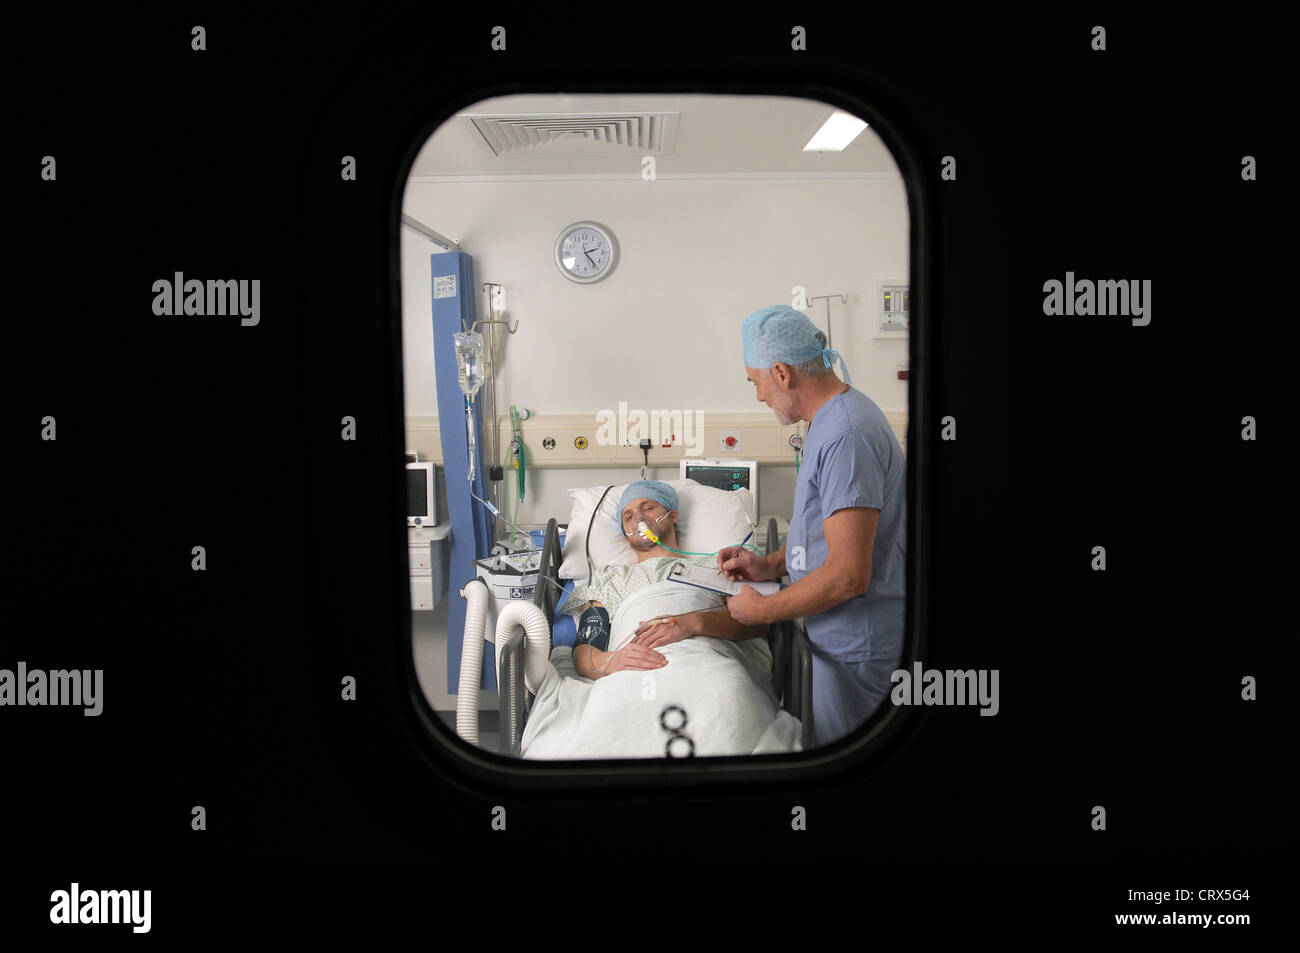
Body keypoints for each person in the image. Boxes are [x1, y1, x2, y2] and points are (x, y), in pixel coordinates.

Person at [718, 304, 905, 746]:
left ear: (781, 374)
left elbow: (847, 574)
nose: (759, 397)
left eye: (756, 382)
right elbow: (826, 531)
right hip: (838, 638)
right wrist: (771, 565)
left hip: (860, 646)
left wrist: (762, 610)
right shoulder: (831, 421)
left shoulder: (846, 437)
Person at [562, 479, 768, 680]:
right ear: (626, 533)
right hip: (634, 676)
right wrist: (610, 662)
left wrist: (694, 623)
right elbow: (585, 650)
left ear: (673, 515)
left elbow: (754, 624)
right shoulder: (611, 578)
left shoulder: (716, 566)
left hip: (708, 666)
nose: (638, 518)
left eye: (648, 507)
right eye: (627, 517)